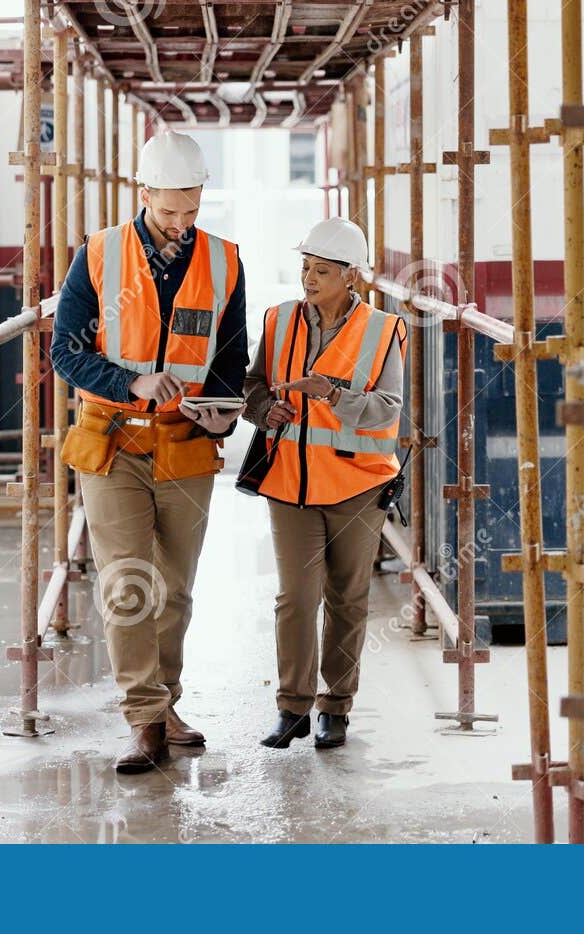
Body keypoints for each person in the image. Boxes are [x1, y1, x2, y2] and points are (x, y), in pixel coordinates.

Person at [51, 129, 248, 774]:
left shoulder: (224, 261)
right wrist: (129, 381)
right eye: (169, 212)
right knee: (128, 585)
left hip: (186, 446)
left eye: (192, 210)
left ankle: (165, 702)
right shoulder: (99, 255)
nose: (181, 224)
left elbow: (229, 359)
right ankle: (143, 719)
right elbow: (65, 353)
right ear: (144, 195)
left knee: (177, 590)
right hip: (114, 445)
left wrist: (219, 411)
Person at [241, 217, 406, 749]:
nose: (309, 278)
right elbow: (253, 386)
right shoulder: (279, 320)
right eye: (305, 267)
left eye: (322, 270)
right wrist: (269, 411)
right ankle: (292, 708)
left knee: (348, 598)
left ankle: (335, 708)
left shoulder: (383, 330)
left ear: (351, 275)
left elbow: (385, 412)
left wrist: (331, 394)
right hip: (291, 483)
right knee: (295, 597)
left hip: (359, 487)